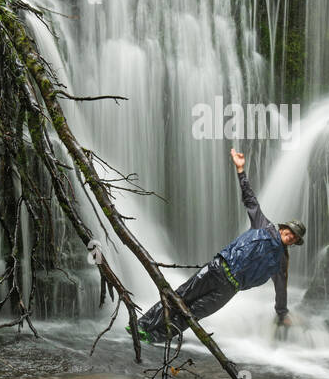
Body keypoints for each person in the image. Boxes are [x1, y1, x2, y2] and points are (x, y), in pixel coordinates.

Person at [128, 148, 305, 345]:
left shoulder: (281, 261)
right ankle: (142, 325)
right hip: (217, 268)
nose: (290, 237)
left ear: (295, 242)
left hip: (230, 288)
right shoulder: (263, 225)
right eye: (289, 232)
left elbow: (281, 289)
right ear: (282, 229)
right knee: (181, 296)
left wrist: (281, 314)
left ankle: (154, 337)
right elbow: (249, 198)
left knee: (193, 313)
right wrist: (240, 170)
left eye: (294, 237)